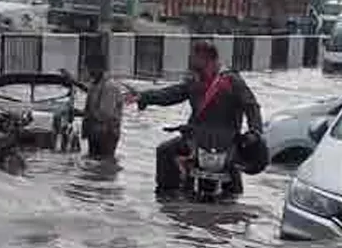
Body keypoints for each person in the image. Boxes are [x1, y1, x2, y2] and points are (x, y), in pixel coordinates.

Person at [128, 40, 267, 195]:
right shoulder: (196, 81)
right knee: (164, 151)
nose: (191, 60)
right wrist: (144, 96)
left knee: (232, 167)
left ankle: (171, 197)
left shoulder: (231, 81)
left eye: (194, 57)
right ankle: (167, 195)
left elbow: (251, 106)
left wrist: (254, 132)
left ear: (207, 59)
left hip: (224, 142)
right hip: (197, 139)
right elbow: (172, 94)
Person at [62, 53, 124, 159]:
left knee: (104, 164)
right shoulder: (97, 83)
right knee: (94, 165)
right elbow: (90, 91)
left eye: (87, 67)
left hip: (106, 135)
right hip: (96, 132)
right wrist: (74, 82)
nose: (86, 70)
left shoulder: (110, 86)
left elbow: (104, 114)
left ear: (97, 68)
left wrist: (81, 113)